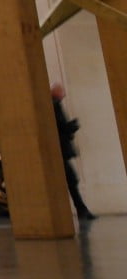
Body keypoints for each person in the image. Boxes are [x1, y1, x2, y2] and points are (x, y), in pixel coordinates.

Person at [51, 83, 96, 220]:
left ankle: (81, 210)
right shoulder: (55, 105)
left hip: (60, 150)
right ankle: (81, 210)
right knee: (71, 180)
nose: (64, 94)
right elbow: (60, 127)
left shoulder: (54, 104)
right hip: (60, 150)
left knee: (71, 180)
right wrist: (72, 126)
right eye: (62, 92)